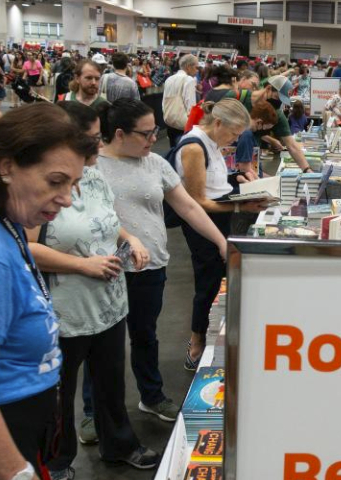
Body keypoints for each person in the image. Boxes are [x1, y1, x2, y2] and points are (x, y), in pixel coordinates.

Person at [0, 103, 94, 480]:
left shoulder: (3, 222)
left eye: (73, 184)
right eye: (55, 181)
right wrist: (18, 474)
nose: (67, 198)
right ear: (6, 166)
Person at [27, 102, 158, 478]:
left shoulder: (95, 174)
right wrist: (83, 265)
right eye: (89, 139)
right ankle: (57, 461)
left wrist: (130, 238)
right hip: (65, 310)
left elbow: (107, 220)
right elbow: (28, 248)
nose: (97, 146)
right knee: (59, 394)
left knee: (110, 383)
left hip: (108, 301)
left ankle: (119, 444)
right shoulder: (42, 184)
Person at [97, 98, 229, 422]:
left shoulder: (155, 164)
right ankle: (92, 411)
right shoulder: (91, 167)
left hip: (150, 265)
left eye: (154, 130)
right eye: (145, 133)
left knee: (145, 335)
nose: (153, 138)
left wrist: (220, 240)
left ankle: (151, 396)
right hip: (104, 268)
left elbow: (187, 206)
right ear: (118, 134)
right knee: (99, 347)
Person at [174, 99, 270, 368]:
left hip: (220, 218)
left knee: (219, 282)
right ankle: (196, 343)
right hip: (204, 224)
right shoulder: (194, 147)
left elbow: (214, 184)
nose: (236, 140)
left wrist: (237, 182)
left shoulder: (213, 143)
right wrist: (241, 203)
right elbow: (196, 201)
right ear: (218, 123)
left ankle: (212, 335)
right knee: (208, 283)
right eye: (234, 134)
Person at [163, 54, 200, 147]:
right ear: (188, 67)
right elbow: (191, 106)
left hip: (169, 120)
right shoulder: (189, 80)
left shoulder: (169, 79)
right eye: (196, 67)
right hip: (183, 124)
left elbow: (164, 101)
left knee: (173, 149)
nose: (197, 70)